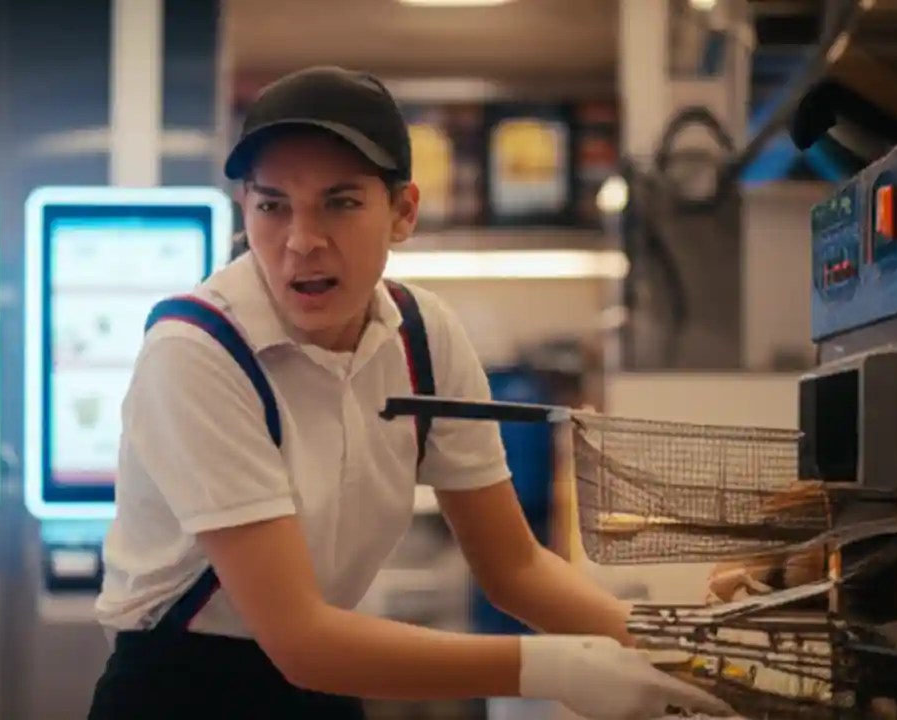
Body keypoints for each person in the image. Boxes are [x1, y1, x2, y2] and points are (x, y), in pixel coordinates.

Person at [87, 65, 732, 720]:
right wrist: (551, 664)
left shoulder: (423, 338)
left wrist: (680, 647)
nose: (302, 241)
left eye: (340, 202)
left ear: (403, 212)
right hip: (181, 688)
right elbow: (298, 638)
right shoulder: (197, 352)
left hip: (324, 679)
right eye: (272, 205)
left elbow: (514, 568)